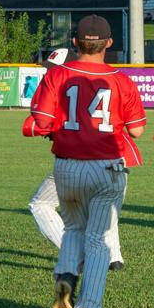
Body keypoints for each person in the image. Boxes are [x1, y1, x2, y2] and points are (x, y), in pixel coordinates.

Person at [21, 16, 147, 308]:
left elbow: (42, 121)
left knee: (73, 229)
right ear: (109, 44)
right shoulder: (121, 80)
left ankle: (66, 275)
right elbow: (137, 130)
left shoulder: (58, 75)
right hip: (106, 166)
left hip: (67, 166)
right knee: (97, 240)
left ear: (75, 42)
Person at [26, 47, 128, 271]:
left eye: (54, 69)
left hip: (79, 159)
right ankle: (114, 258)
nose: (50, 73)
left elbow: (36, 124)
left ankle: (77, 254)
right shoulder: (103, 81)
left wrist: (51, 129)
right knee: (103, 205)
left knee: (40, 204)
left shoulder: (64, 90)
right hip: (116, 155)